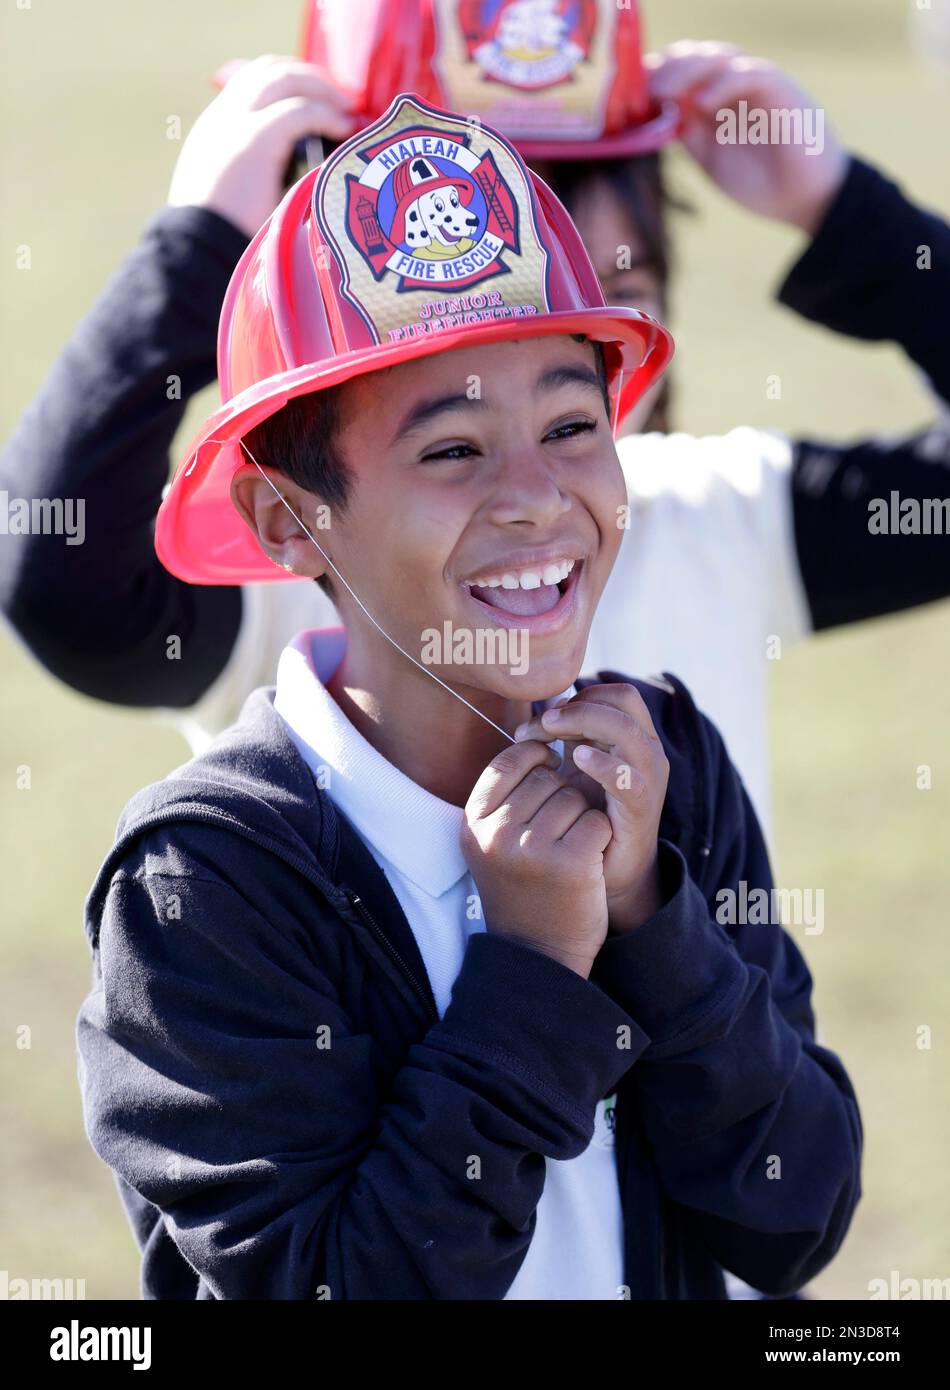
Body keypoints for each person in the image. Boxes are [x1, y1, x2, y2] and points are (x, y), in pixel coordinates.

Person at [75, 94, 862, 1300]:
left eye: (568, 423)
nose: (538, 499)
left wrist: (653, 915)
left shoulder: (666, 769)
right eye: (451, 449)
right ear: (289, 520)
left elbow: (791, 1215)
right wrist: (538, 971)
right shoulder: (206, 880)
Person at [2, 31, 948, 839]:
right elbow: (55, 575)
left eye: (604, 305)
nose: (534, 490)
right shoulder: (321, 572)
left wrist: (850, 214)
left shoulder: (722, 512)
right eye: (455, 427)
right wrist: (200, 244)